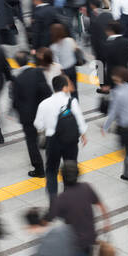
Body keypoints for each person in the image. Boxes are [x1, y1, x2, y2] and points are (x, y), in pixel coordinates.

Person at [35, 75, 88, 207]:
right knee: (70, 169)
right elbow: (80, 120)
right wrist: (83, 135)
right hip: (70, 140)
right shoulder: (72, 101)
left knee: (51, 170)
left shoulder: (44, 104)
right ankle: (69, 198)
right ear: (64, 87)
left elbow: (38, 125)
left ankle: (53, 200)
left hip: (53, 142)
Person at [9, 49, 53, 178]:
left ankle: (39, 169)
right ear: (28, 60)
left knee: (31, 141)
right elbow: (46, 91)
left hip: (27, 116)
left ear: (17, 63)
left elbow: (15, 100)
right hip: (42, 111)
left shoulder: (16, 79)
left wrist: (17, 112)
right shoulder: (38, 71)